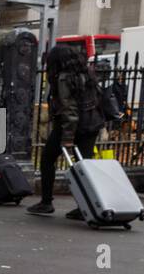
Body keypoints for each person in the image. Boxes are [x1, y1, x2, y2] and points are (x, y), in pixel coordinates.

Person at [27, 44, 105, 218]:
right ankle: (87, 205)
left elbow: (70, 111)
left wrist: (67, 138)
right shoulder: (86, 74)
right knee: (84, 165)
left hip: (71, 127)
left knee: (47, 158)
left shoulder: (64, 78)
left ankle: (46, 202)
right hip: (91, 125)